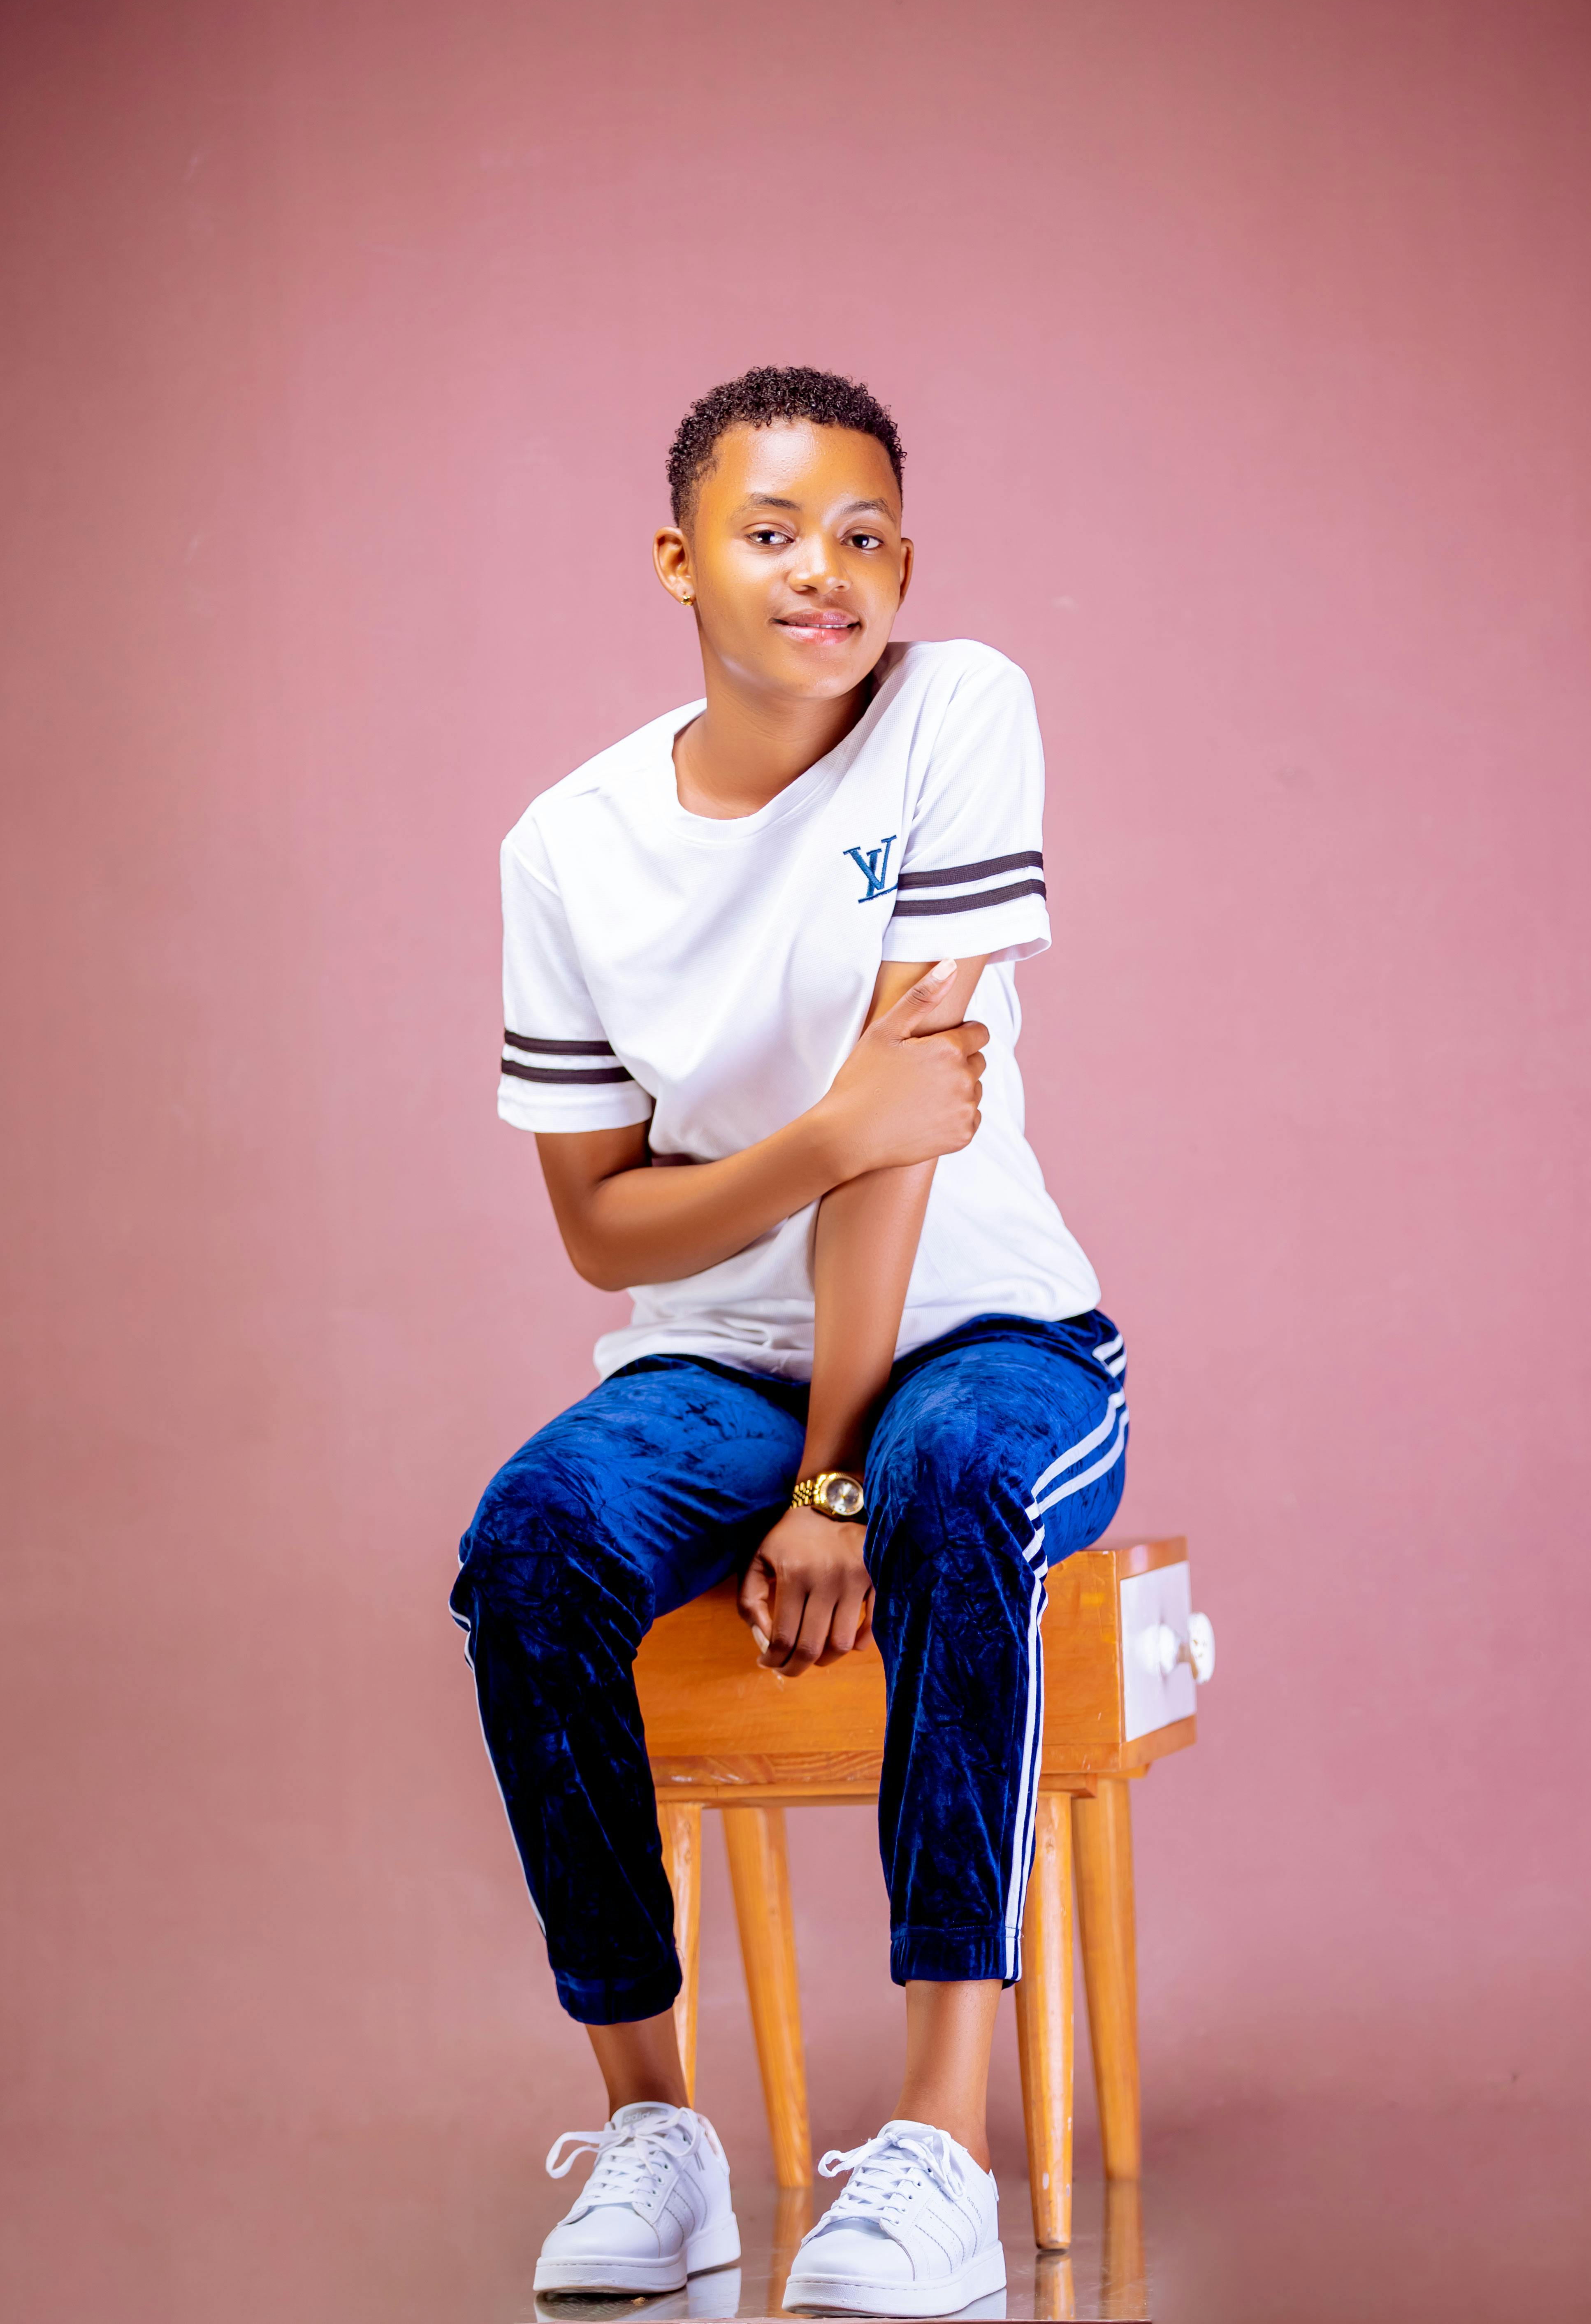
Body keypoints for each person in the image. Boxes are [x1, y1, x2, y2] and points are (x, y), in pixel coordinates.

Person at [452, 365, 1127, 2319]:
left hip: (992, 1337)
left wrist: (836, 1470)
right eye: (770, 534)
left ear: (905, 562)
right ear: (678, 560)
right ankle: (658, 2136)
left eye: (862, 535)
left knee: (951, 1475)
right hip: (712, 1367)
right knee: (534, 1544)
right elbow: (605, 1229)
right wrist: (822, 1129)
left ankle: (936, 2148)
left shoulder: (957, 709)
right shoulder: (565, 847)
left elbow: (915, 1155)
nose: (823, 571)